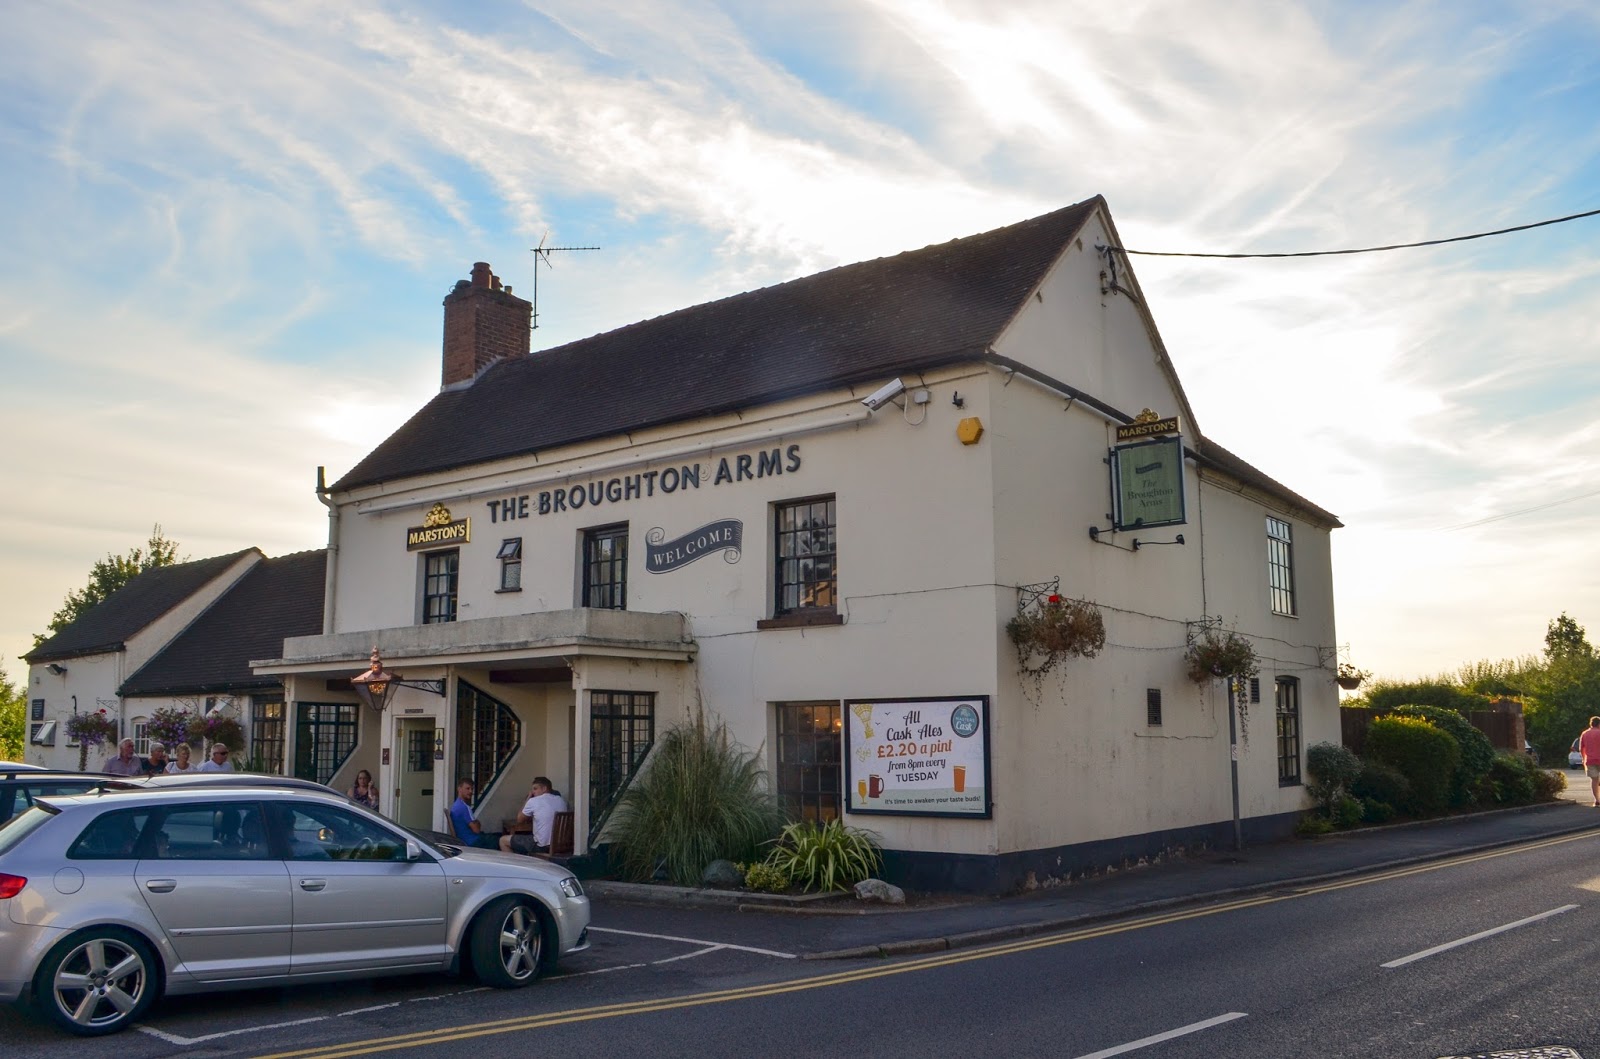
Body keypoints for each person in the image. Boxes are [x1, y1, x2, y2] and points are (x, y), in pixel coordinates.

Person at [500, 776, 567, 855]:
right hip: (560, 845)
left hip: (542, 846)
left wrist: (528, 797)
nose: (533, 792)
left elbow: (519, 819)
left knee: (503, 840)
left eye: (535, 789)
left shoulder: (533, 801)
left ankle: (513, 866)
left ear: (544, 788)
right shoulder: (561, 800)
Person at [449, 778, 501, 849]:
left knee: (495, 835)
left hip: (464, 840)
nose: (470, 791)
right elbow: (476, 830)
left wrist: (476, 823)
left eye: (472, 789)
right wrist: (477, 822)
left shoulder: (456, 805)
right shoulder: (464, 807)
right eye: (467, 788)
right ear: (459, 789)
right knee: (499, 840)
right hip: (472, 842)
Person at [1580, 717, 1600, 807]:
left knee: (1594, 780)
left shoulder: (1585, 733)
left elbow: (1581, 748)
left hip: (1590, 760)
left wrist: (1584, 758)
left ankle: (1596, 799)